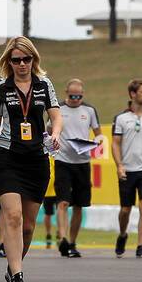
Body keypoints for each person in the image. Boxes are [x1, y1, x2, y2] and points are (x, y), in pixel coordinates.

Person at [0, 36, 61, 282]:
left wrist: (56, 133)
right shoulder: (1, 89)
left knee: (27, 227)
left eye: (27, 59)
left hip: (36, 160)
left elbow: (55, 116)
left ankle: (14, 264)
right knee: (12, 216)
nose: (22, 64)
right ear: (9, 62)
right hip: (7, 158)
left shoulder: (44, 85)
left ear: (33, 59)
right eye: (16, 60)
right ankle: (17, 275)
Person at [112, 79, 142, 258]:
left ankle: (141, 245)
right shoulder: (121, 119)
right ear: (132, 94)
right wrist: (119, 165)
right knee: (125, 209)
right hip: (127, 169)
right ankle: (123, 234)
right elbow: (115, 144)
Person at [53, 79, 102, 258]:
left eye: (79, 96)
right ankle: (63, 238)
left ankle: (72, 242)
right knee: (63, 202)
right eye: (72, 96)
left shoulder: (89, 111)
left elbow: (99, 135)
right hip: (63, 161)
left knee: (79, 205)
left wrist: (94, 144)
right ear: (66, 93)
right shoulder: (57, 109)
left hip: (82, 162)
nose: (75, 99)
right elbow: (48, 129)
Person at [41, 166, 57, 249]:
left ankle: (60, 233)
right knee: (48, 214)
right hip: (48, 191)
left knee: (61, 211)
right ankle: (48, 234)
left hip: (58, 188)